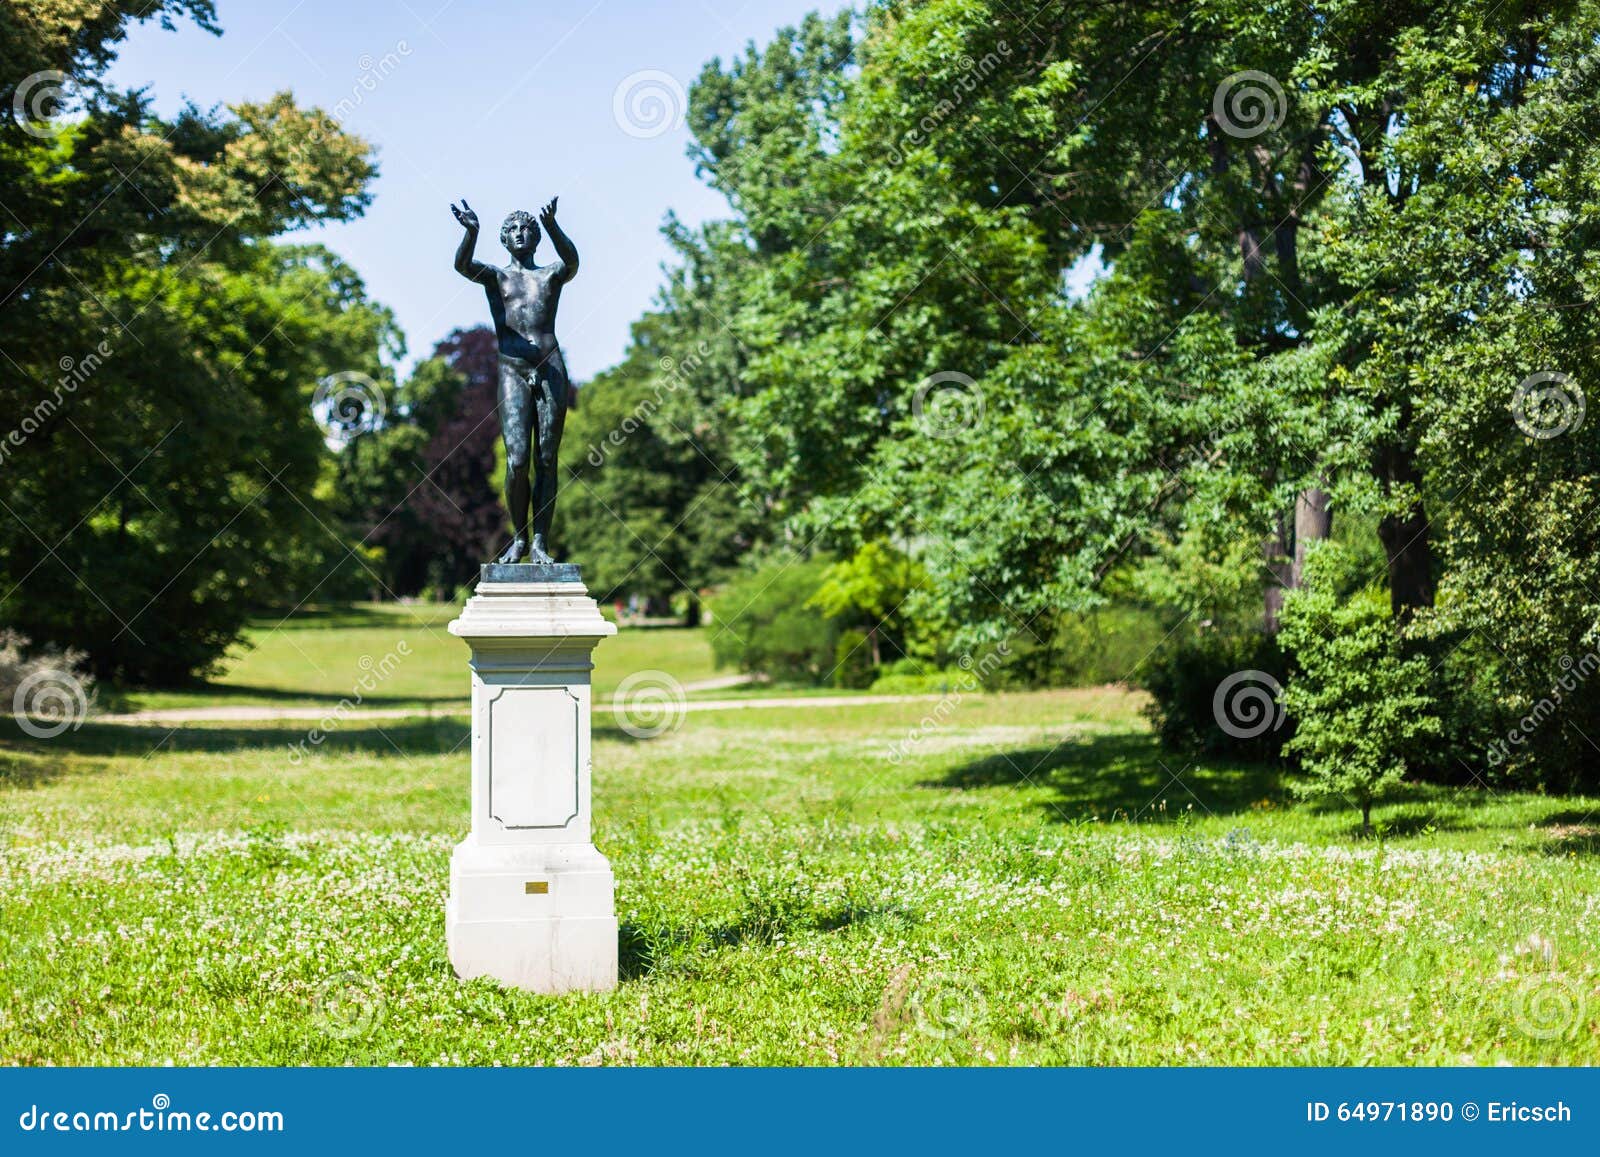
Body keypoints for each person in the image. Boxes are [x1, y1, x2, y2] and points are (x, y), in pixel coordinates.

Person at [450, 195, 578, 564]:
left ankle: (540, 542)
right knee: (518, 461)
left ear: (535, 237)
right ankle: (519, 538)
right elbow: (462, 265)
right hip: (513, 370)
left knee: (547, 458)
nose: (520, 233)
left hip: (550, 367)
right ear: (504, 239)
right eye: (512, 230)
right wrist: (471, 232)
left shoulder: (550, 275)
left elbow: (572, 262)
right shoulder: (497, 277)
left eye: (526, 229)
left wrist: (552, 224)